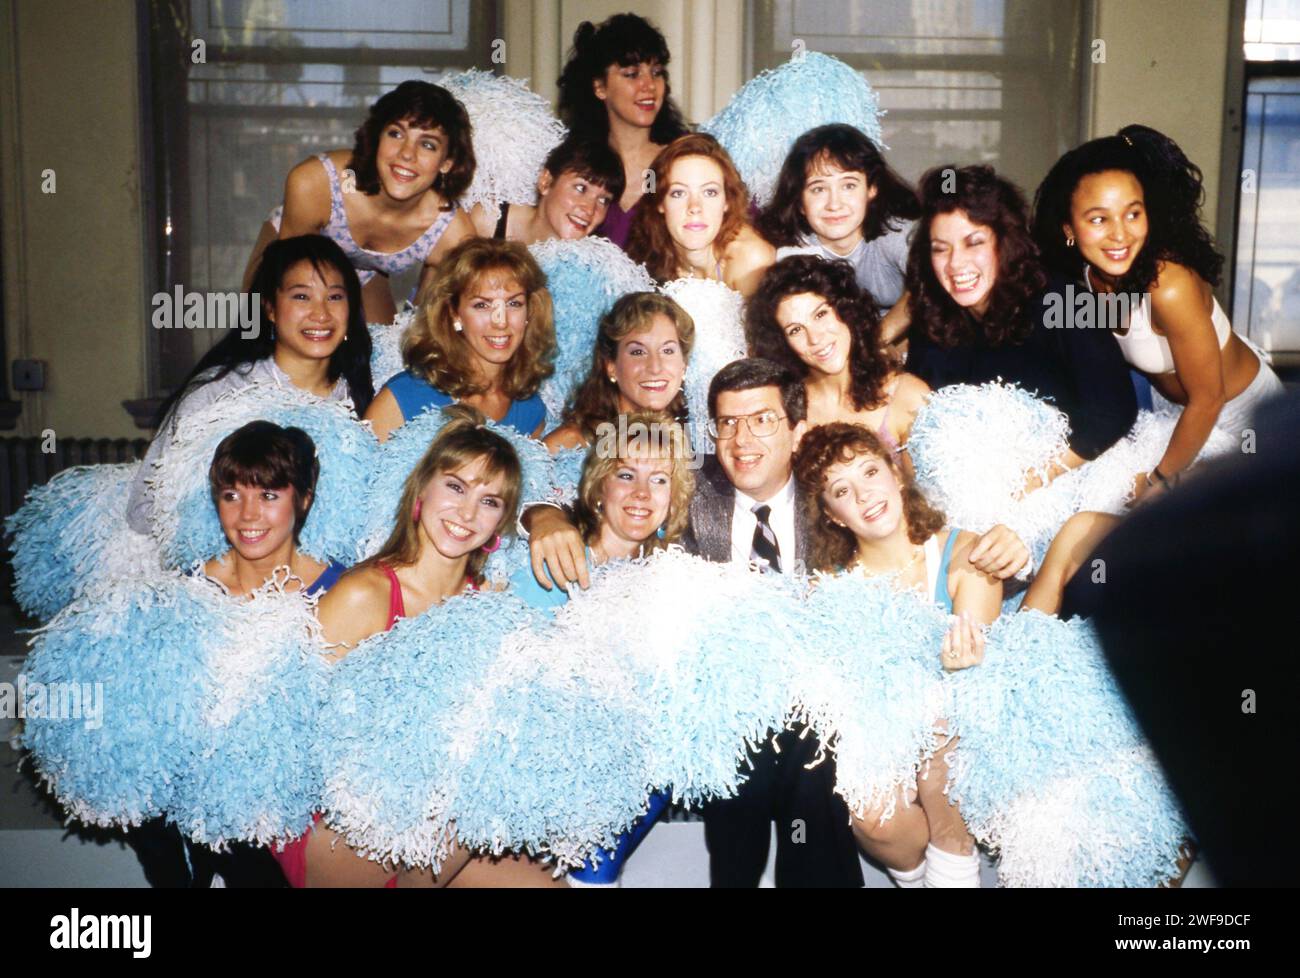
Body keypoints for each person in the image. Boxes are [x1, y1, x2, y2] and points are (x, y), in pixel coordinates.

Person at [525, 358, 864, 887]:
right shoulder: (692, 485)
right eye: (727, 422)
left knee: (808, 780)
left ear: (797, 431)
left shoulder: (830, 492)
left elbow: (898, 522)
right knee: (737, 773)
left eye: (762, 420)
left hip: (818, 684)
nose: (742, 438)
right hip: (722, 693)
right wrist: (542, 515)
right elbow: (601, 487)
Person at [285, 405, 565, 887]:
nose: (467, 513)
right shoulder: (363, 595)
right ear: (421, 491)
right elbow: (292, 732)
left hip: (443, 824)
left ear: (500, 524)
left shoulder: (487, 605)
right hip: (341, 822)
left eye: (490, 501)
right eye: (455, 487)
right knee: (466, 799)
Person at [127, 421, 343, 888]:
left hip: (300, 803)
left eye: (268, 495)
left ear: (303, 499)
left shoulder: (341, 591)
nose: (247, 515)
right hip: (203, 801)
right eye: (231, 495)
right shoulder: (189, 590)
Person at [793, 421, 1001, 888]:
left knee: (939, 743)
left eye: (870, 472)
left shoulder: (964, 551)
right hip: (884, 729)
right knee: (871, 815)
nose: (864, 494)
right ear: (833, 516)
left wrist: (946, 675)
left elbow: (980, 674)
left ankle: (952, 872)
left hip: (967, 722)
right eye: (842, 491)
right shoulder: (831, 590)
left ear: (896, 473)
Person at [1033, 124, 1284, 503]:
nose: (1120, 236)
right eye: (1099, 219)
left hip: (1236, 418)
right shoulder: (1080, 277)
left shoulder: (1168, 285)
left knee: (1141, 516)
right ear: (1069, 229)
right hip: (1171, 410)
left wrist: (1160, 482)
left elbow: (1209, 398)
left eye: (1132, 214)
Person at [512, 410, 694, 884]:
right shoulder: (555, 559)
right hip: (541, 769)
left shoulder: (668, 580)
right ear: (598, 488)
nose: (640, 494)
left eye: (658, 480)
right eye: (626, 475)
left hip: (630, 775)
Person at [906, 164, 1139, 491]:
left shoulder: (1064, 300)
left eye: (974, 243)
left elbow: (1114, 411)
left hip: (1075, 470)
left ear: (1005, 242)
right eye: (940, 249)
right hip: (980, 482)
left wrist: (1026, 485)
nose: (956, 263)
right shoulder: (931, 315)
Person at [127, 235, 374, 535]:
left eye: (335, 297)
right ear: (270, 308)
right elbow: (144, 509)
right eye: (301, 296)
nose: (321, 314)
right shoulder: (217, 396)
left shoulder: (366, 400)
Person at [242, 80, 477, 324]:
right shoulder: (316, 181)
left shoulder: (451, 233)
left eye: (428, 144)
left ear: (447, 163)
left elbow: (422, 328)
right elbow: (290, 284)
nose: (407, 153)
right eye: (396, 133)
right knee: (263, 325)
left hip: (365, 269)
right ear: (377, 138)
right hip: (297, 252)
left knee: (386, 352)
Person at [746, 254, 929, 468]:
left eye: (820, 315)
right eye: (795, 330)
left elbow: (927, 499)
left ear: (845, 310)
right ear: (782, 343)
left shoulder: (907, 395)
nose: (816, 338)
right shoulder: (786, 407)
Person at [364, 238, 555, 442]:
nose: (501, 322)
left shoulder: (530, 412)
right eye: (482, 305)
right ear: (454, 313)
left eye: (514, 303)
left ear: (529, 311)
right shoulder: (404, 397)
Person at [757, 124, 919, 342]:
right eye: (818, 189)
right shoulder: (791, 252)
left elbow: (933, 285)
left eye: (849, 186)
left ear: (871, 189)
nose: (834, 204)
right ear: (800, 202)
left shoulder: (897, 232)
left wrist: (880, 339)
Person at [556, 12, 691, 249]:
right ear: (599, 87)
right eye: (632, 74)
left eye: (657, 72)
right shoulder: (572, 165)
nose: (649, 85)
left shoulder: (687, 160)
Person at [626, 134, 776, 297]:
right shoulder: (646, 252)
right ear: (660, 203)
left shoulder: (751, 260)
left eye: (710, 192)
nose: (695, 207)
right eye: (678, 193)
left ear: (727, 201)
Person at [543, 292, 694, 451]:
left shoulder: (697, 444)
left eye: (667, 351)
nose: (655, 367)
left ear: (683, 365)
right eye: (638, 352)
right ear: (611, 366)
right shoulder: (568, 445)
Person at [469, 136, 625, 244]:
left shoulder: (590, 269)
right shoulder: (488, 220)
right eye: (580, 188)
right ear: (546, 182)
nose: (590, 210)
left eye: (603, 200)